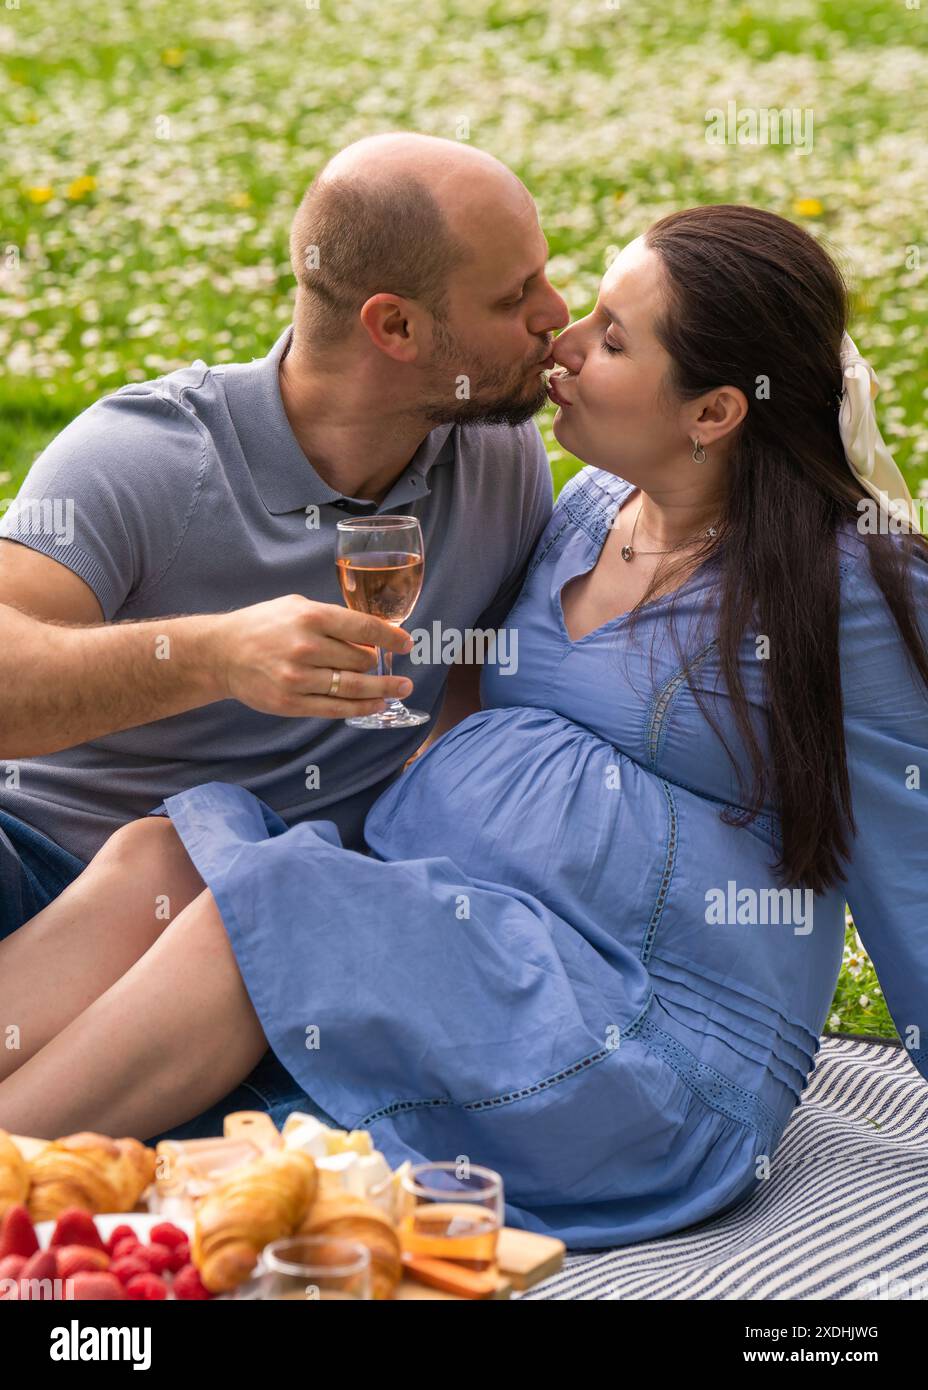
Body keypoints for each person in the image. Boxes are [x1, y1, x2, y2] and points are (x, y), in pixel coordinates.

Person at [2, 206, 926, 1249]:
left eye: (614, 338)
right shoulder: (585, 512)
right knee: (163, 853)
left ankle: (9, 1166)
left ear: (713, 411)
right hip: (486, 963)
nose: (563, 339)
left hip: (643, 1049)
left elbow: (918, 865)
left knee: (275, 904)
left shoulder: (844, 590)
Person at [0, 130, 568, 939]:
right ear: (395, 327)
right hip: (39, 867)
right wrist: (213, 657)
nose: (558, 314)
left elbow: (476, 700)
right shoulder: (148, 455)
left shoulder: (498, 458)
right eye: (515, 298)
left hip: (258, 938)